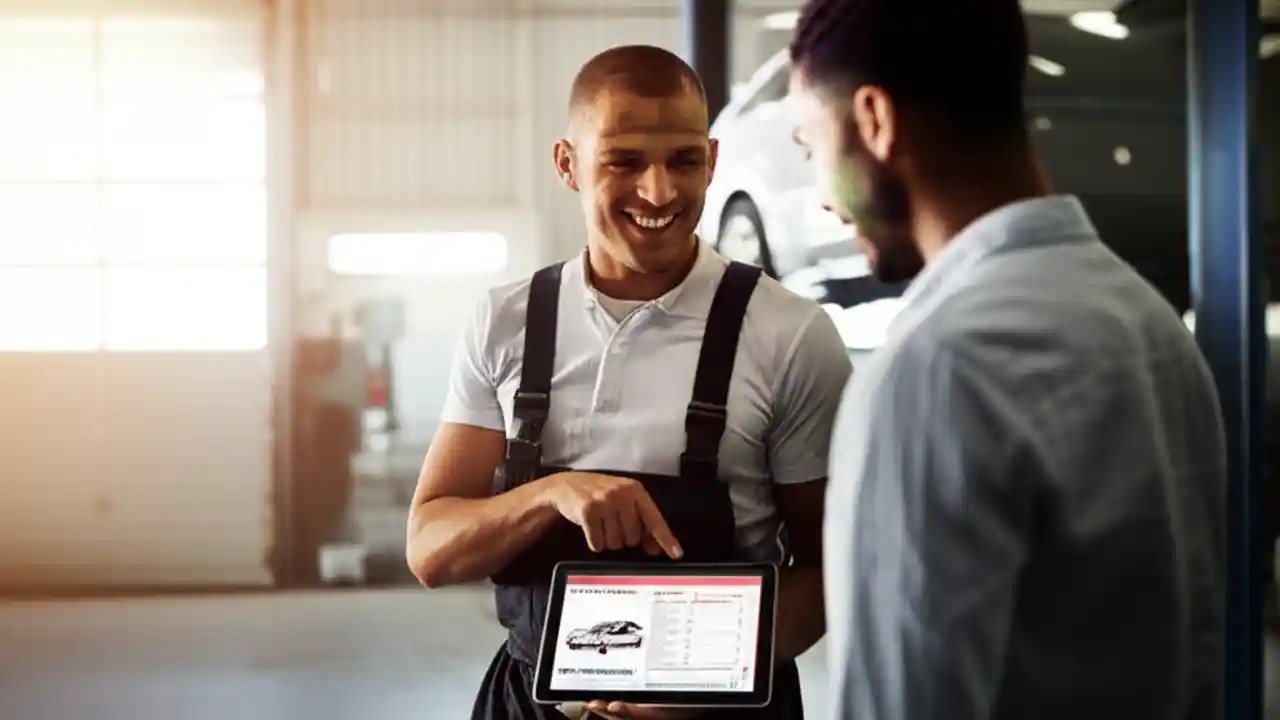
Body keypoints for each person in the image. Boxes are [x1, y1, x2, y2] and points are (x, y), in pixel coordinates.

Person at [785, 1, 1227, 718]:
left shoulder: (938, 366)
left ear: (875, 121)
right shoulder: (1150, 326)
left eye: (810, 146)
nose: (823, 200)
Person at [406, 45, 852, 720]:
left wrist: (697, 679)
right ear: (568, 165)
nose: (659, 192)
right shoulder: (505, 323)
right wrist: (550, 495)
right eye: (624, 161)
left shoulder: (788, 335)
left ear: (712, 159)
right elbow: (431, 548)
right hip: (529, 704)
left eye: (683, 161)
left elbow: (834, 568)